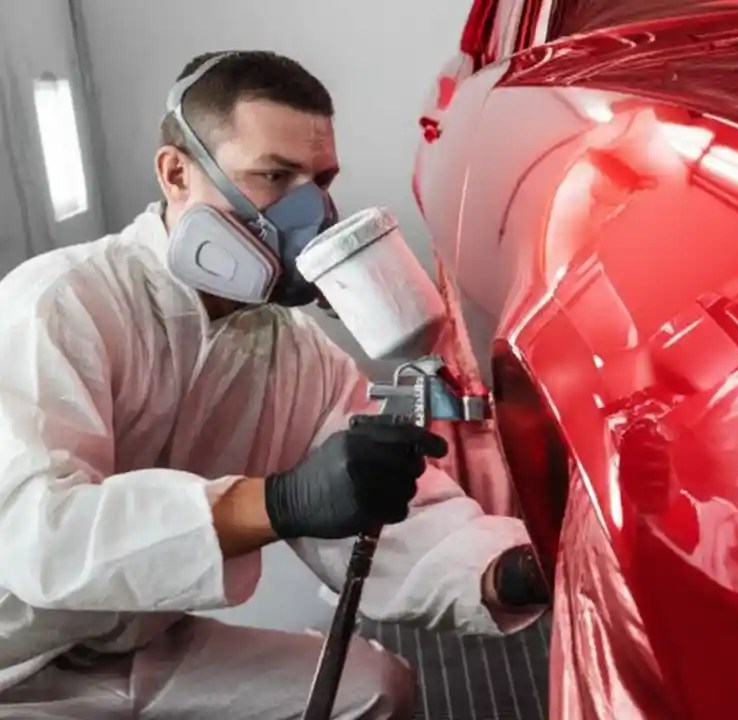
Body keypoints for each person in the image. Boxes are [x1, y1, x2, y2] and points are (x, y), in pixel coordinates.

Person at [0, 50, 547, 719]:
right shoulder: (60, 303)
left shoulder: (290, 351)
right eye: (274, 176)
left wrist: (511, 571)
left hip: (139, 644)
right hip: (14, 665)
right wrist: (278, 503)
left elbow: (393, 518)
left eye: (321, 181)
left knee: (372, 692)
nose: (308, 213)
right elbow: (41, 536)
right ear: (177, 173)